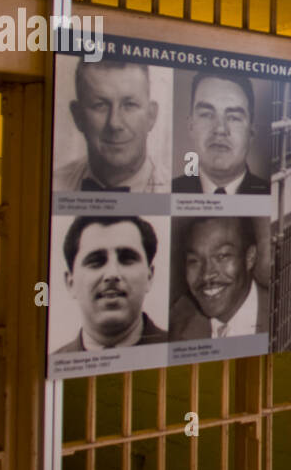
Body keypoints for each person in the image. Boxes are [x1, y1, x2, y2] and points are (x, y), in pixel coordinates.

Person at [52, 216, 167, 352]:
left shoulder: (176, 346)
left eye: (127, 259)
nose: (112, 274)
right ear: (70, 283)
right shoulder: (52, 364)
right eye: (96, 261)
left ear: (149, 276)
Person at [54, 60, 169, 192]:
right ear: (78, 116)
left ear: (151, 116)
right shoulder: (54, 185)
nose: (114, 124)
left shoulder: (173, 188)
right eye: (100, 105)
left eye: (129, 105)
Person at [169, 217, 270, 339]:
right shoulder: (176, 321)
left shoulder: (283, 314)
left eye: (221, 256)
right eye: (194, 261)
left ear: (250, 258)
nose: (206, 275)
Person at [172, 73, 269, 195]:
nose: (220, 129)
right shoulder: (169, 191)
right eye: (206, 115)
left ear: (251, 131)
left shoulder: (269, 194)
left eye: (233, 118)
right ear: (191, 126)